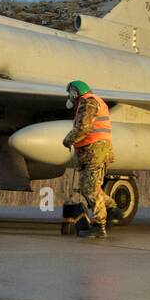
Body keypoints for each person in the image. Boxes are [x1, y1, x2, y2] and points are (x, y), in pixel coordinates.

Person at [62, 79, 116, 238]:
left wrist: (69, 139)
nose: (70, 98)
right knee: (88, 187)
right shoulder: (90, 102)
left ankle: (99, 225)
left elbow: (84, 128)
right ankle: (113, 209)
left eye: (71, 94)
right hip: (93, 151)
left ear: (74, 92)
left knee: (89, 189)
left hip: (95, 151)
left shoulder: (88, 103)